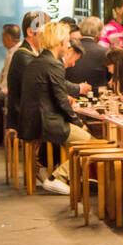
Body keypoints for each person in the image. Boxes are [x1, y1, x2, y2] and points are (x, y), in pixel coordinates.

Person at [19, 21, 93, 194]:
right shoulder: (53, 64)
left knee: (76, 141)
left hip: (33, 121)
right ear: (59, 42)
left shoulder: (38, 61)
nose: (68, 45)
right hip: (46, 122)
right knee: (88, 142)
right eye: (66, 41)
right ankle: (57, 178)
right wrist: (78, 123)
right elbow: (61, 100)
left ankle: (69, 177)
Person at [5, 10, 47, 133]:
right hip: (25, 117)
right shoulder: (23, 55)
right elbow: (41, 83)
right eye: (44, 32)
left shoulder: (33, 53)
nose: (47, 36)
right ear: (30, 32)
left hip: (30, 113)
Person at [65, 15, 109, 92]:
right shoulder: (105, 52)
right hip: (98, 96)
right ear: (99, 34)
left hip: (70, 94)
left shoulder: (69, 50)